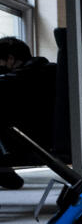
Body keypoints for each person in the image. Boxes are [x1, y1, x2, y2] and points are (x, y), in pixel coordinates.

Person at [0, 37, 57, 189]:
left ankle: (4, 174)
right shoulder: (52, 71)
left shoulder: (16, 80)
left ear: (10, 59)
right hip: (48, 138)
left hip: (27, 141)